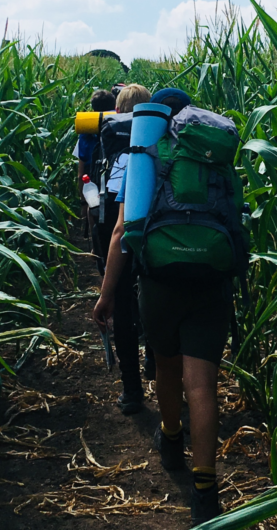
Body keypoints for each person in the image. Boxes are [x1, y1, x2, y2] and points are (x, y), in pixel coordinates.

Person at [92, 87, 228, 526]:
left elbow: (120, 234)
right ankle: (206, 489)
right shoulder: (213, 154)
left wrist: (107, 294)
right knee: (203, 383)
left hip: (161, 281)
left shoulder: (144, 155)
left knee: (168, 369)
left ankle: (171, 441)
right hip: (212, 278)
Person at [98, 83, 154, 414]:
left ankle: (132, 391)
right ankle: (154, 363)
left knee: (122, 307)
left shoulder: (111, 138)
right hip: (150, 229)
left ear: (117, 111)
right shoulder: (156, 138)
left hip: (117, 229)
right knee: (152, 299)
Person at [76, 89, 116, 240]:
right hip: (115, 184)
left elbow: (81, 174)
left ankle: (95, 249)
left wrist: (82, 202)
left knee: (92, 206)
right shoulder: (123, 127)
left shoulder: (86, 131)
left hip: (93, 181)